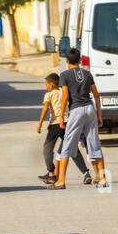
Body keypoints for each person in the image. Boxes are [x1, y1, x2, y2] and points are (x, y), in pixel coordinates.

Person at [45, 48, 107, 190]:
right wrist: (99, 115)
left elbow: (65, 97)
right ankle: (102, 179)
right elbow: (96, 96)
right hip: (90, 108)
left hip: (76, 110)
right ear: (79, 60)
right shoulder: (87, 74)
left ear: (67, 61)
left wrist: (61, 117)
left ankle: (60, 181)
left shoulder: (64, 75)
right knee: (94, 143)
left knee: (67, 144)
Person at [37, 72, 91, 185]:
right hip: (68, 123)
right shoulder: (64, 92)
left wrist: (40, 123)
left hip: (55, 124)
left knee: (47, 148)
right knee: (73, 149)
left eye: (46, 84)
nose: (46, 86)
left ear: (51, 84)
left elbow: (46, 108)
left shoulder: (49, 94)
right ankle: (86, 173)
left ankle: (51, 173)